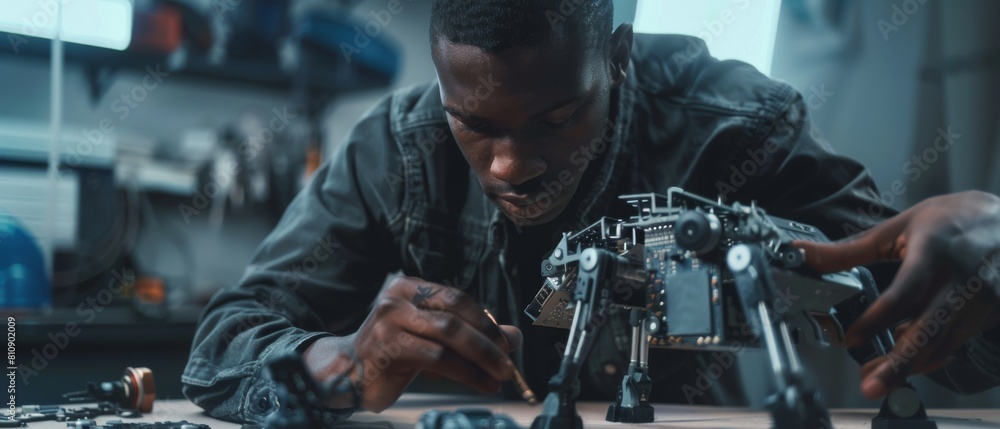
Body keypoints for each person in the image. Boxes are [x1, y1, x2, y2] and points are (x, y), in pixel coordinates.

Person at [182, 0, 1000, 424]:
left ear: (616, 56)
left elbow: (940, 335)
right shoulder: (393, 149)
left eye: (554, 119)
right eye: (474, 123)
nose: (509, 164)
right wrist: (345, 363)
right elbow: (221, 346)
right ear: (440, 77)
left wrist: (987, 270)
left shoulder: (739, 125)